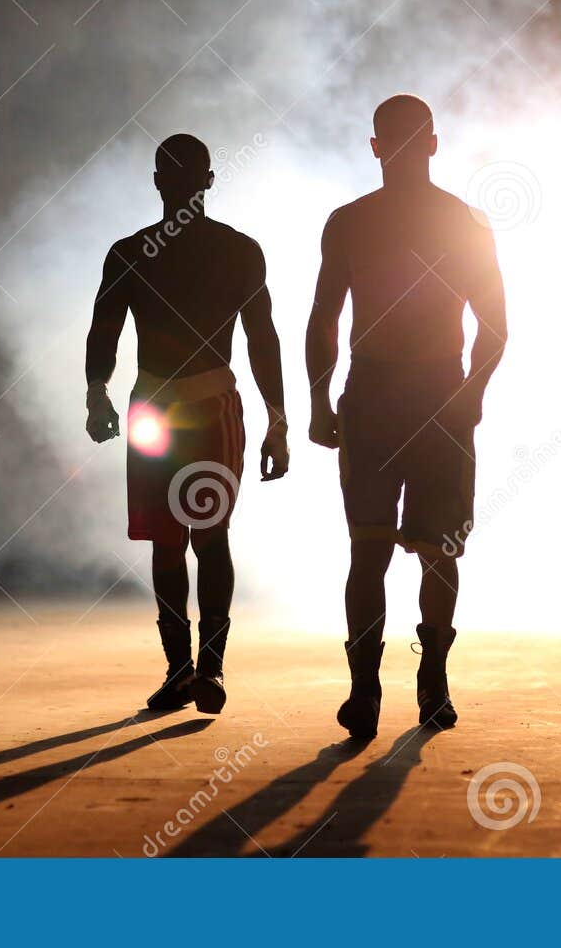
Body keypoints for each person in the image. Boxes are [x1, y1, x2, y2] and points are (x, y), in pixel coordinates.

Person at [306, 94, 507, 738]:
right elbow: (324, 319)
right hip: (411, 395)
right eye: (396, 140)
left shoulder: (363, 222)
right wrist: (471, 389)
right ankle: (395, 687)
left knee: (404, 550)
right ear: (430, 143)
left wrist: (473, 389)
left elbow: (495, 325)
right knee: (408, 550)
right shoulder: (438, 222)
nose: (395, 150)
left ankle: (405, 684)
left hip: (408, 396)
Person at [85, 133, 289, 716]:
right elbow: (262, 341)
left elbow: (262, 339)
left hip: (183, 405)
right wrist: (277, 420)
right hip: (181, 406)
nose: (173, 184)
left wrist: (97, 392)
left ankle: (201, 669)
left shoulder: (143, 252)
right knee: (185, 537)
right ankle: (193, 670)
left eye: (176, 174)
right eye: (172, 174)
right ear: (208, 180)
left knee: (187, 538)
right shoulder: (228, 251)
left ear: (170, 181)